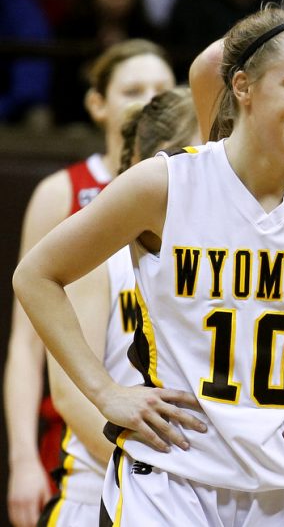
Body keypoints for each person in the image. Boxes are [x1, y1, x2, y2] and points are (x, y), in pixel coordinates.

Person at [13, 5, 284, 526]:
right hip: (174, 477)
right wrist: (105, 392)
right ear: (244, 87)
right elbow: (36, 275)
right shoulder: (165, 184)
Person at [3, 38, 175, 527]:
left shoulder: (189, 190)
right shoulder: (63, 190)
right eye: (134, 89)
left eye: (161, 88)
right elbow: (26, 345)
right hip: (81, 443)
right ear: (97, 104)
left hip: (167, 444)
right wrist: (21, 458)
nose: (149, 100)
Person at [36, 87, 201, 526]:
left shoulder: (213, 255)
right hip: (102, 491)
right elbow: (71, 396)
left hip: (191, 492)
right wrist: (154, 476)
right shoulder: (99, 256)